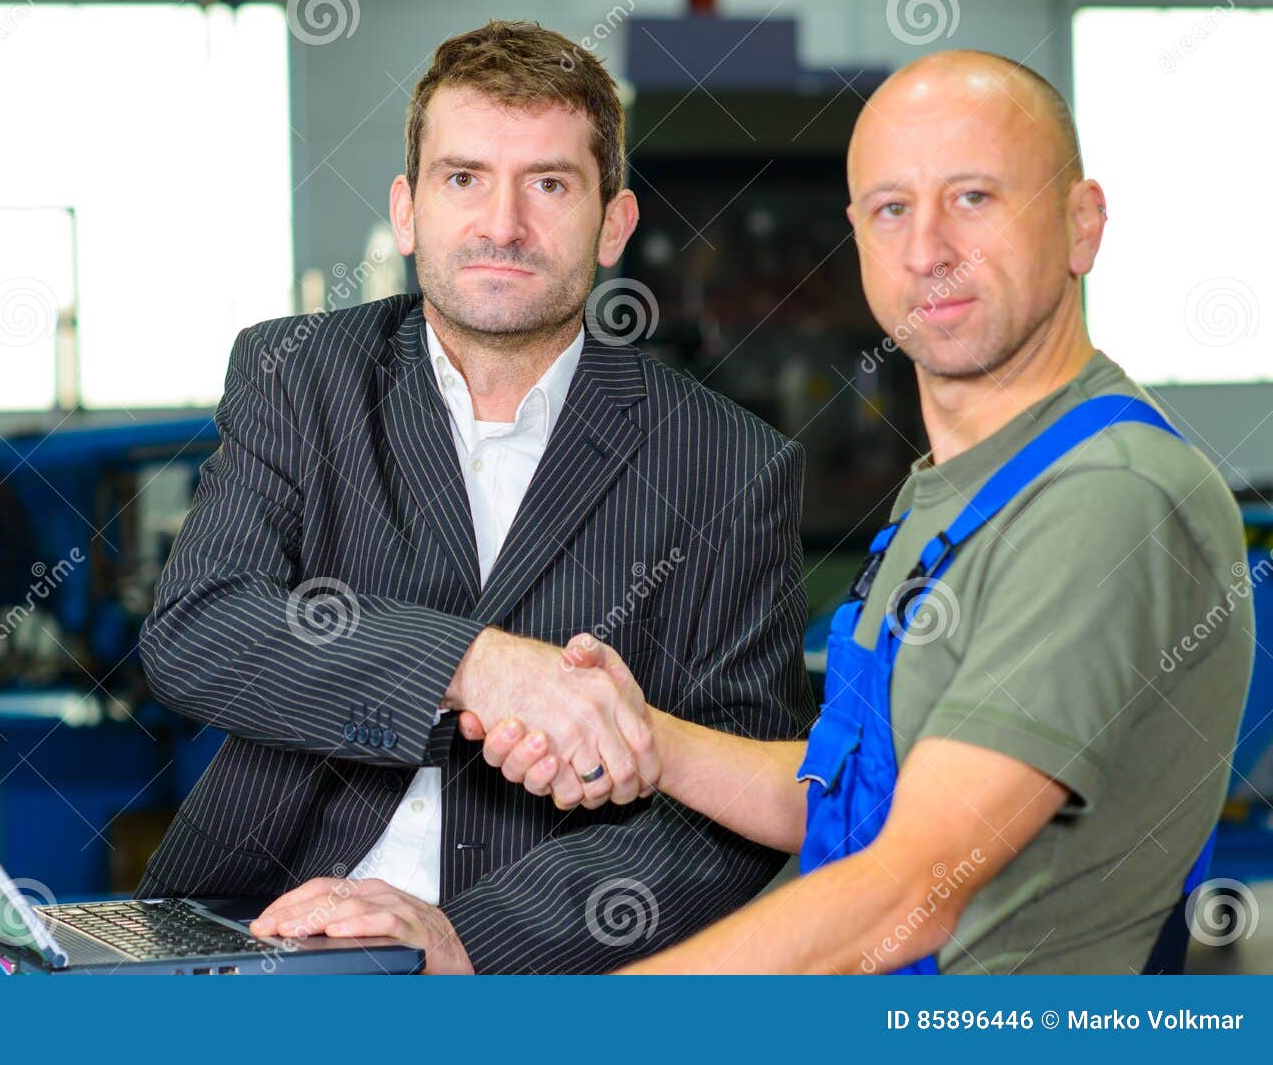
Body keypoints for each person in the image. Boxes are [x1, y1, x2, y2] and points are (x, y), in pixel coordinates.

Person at [471, 49, 1253, 974]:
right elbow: (858, 801)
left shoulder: (1106, 498)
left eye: (974, 198)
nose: (926, 250)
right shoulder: (950, 492)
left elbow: (908, 893)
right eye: (892, 209)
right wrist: (645, 734)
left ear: (1083, 226)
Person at [136, 20, 816, 974]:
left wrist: (471, 942)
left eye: (548, 184)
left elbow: (736, 815)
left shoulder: (727, 463)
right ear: (408, 211)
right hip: (257, 927)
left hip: (537, 972)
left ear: (613, 223)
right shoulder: (298, 375)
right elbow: (202, 631)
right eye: (464, 179)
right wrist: (476, 667)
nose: (503, 225)